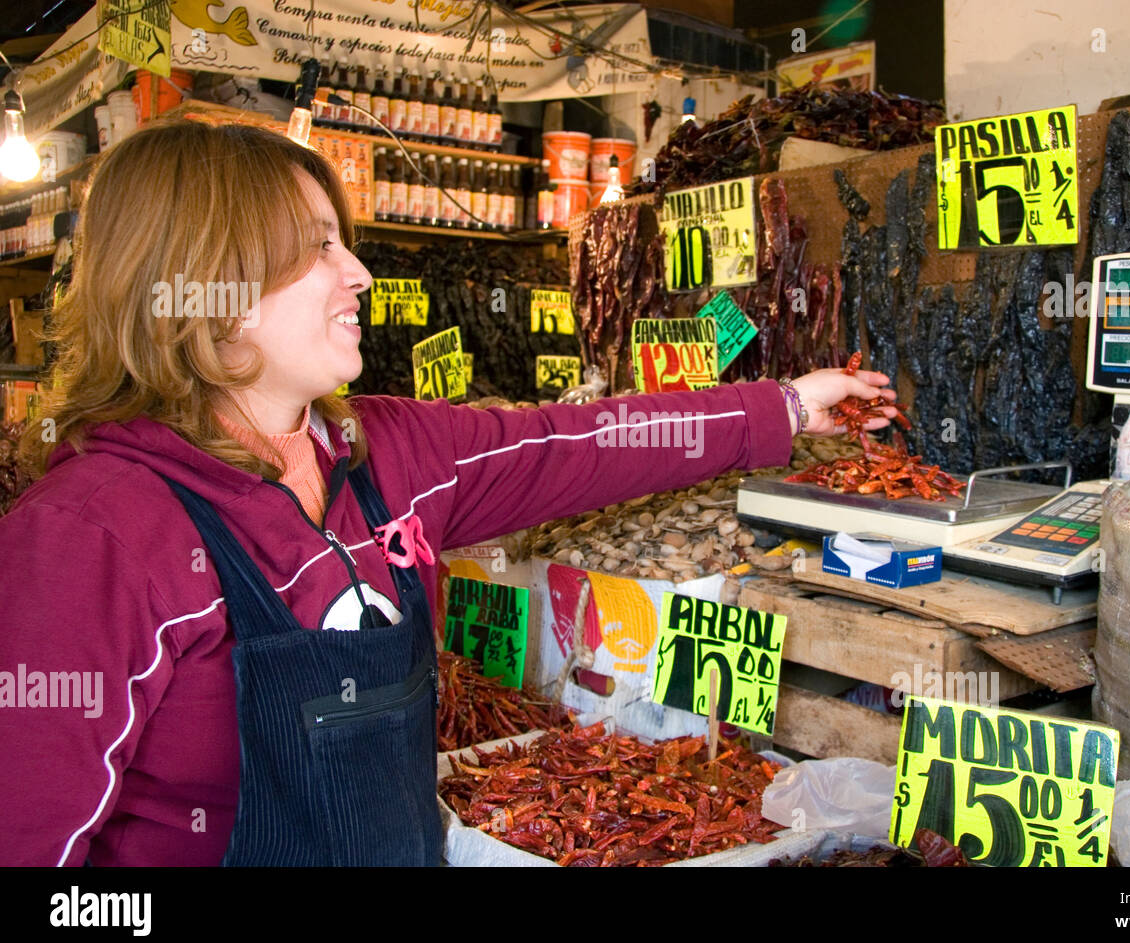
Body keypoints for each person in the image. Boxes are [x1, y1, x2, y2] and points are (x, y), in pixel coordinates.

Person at [0, 120, 897, 866]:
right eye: (319, 248)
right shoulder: (91, 535)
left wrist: (782, 406)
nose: (358, 273)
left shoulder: (381, 450)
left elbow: (576, 441)